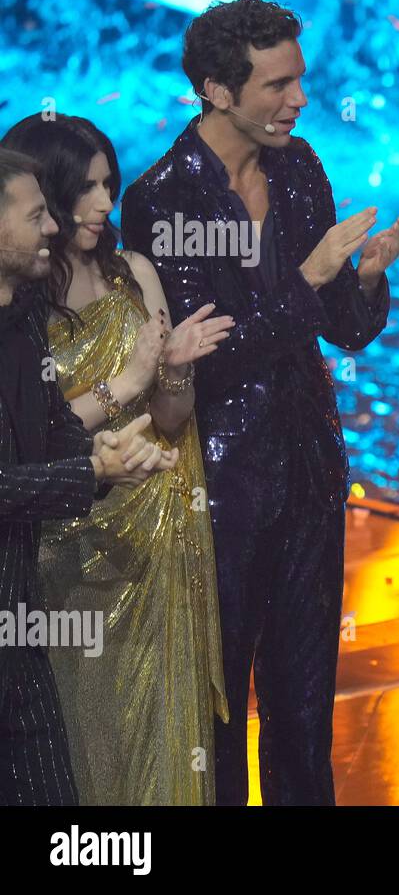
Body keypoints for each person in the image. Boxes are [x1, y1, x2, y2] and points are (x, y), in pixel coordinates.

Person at [120, 0, 399, 805]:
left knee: (305, 702)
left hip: (310, 473)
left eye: (300, 80)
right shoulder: (162, 200)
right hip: (217, 485)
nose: (298, 100)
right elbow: (200, 367)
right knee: (216, 711)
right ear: (216, 89)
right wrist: (309, 281)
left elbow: (343, 331)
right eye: (278, 85)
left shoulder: (300, 166)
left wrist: (366, 279)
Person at [2, 113, 232, 804]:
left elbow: (168, 417)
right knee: (73, 732)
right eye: (86, 189)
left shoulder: (134, 272)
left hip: (148, 527)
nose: (106, 204)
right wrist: (123, 386)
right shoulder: (20, 307)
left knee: (151, 725)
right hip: (57, 541)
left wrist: (174, 372)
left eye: (111, 184)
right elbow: (30, 446)